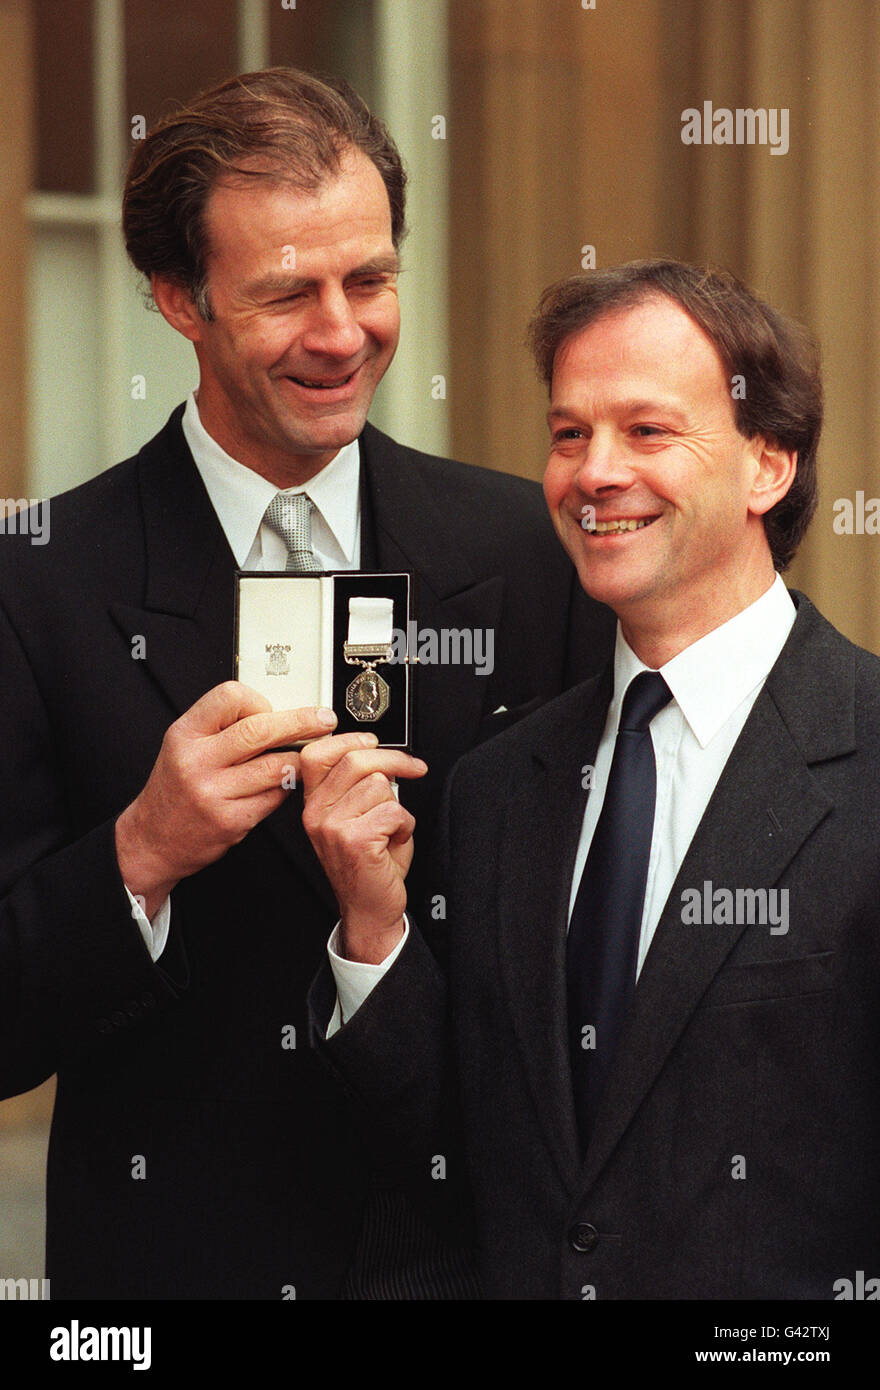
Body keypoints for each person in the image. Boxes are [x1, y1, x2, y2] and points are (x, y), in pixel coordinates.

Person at [0, 68, 614, 1299]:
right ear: (179, 299)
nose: (343, 333)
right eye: (288, 292)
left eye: (370, 280)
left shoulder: (525, 554)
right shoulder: (38, 581)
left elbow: (583, 973)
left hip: (459, 1266)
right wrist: (138, 853)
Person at [303, 259, 880, 1299]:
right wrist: (373, 934)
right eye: (569, 433)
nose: (593, 471)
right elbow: (452, 1161)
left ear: (768, 464)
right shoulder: (494, 787)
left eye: (647, 431)